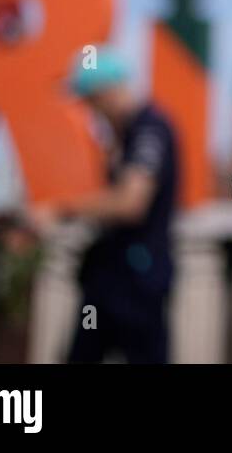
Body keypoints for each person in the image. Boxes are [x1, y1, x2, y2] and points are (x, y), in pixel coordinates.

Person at [49, 47, 179, 364]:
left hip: (136, 282)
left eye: (90, 100)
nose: (90, 111)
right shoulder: (126, 135)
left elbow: (130, 202)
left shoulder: (150, 129)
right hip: (112, 276)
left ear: (107, 93)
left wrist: (61, 209)